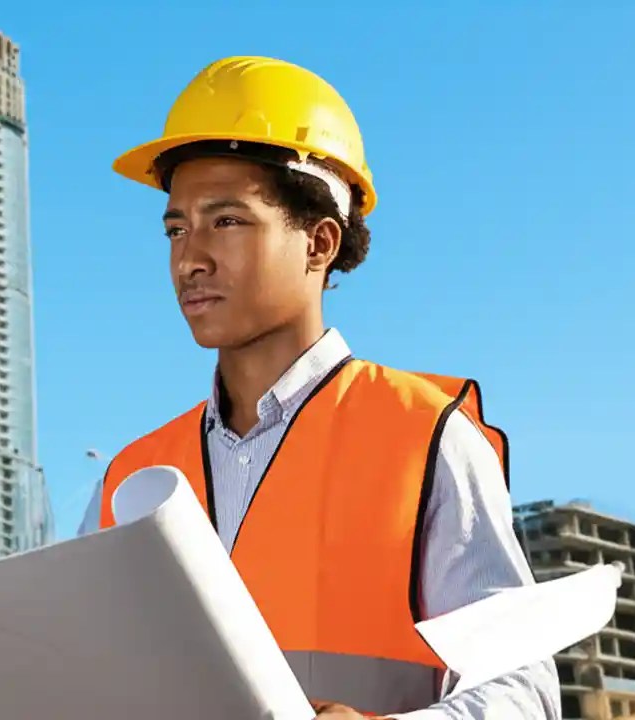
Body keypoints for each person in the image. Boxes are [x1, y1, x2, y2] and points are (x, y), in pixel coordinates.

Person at [77, 56, 561, 718]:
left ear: (319, 243)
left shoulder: (424, 435)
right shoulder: (129, 478)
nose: (189, 258)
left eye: (227, 221)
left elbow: (522, 695)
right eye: (176, 228)